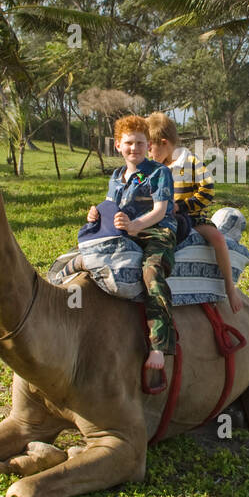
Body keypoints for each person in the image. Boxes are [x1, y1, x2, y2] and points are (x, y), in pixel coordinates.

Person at [87, 115, 177, 383]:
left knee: (151, 272)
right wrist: (96, 213)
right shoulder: (116, 177)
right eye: (128, 143)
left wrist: (137, 225)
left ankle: (160, 344)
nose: (134, 148)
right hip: (125, 230)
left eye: (140, 143)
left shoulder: (159, 173)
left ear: (148, 145)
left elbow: (160, 210)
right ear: (118, 146)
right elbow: (109, 206)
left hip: (157, 231)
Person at [146, 112, 244, 313]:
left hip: (192, 215)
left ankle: (229, 287)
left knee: (217, 238)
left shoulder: (190, 161)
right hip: (164, 216)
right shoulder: (154, 167)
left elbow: (207, 189)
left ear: (163, 143)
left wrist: (182, 206)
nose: (148, 153)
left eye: (150, 148)